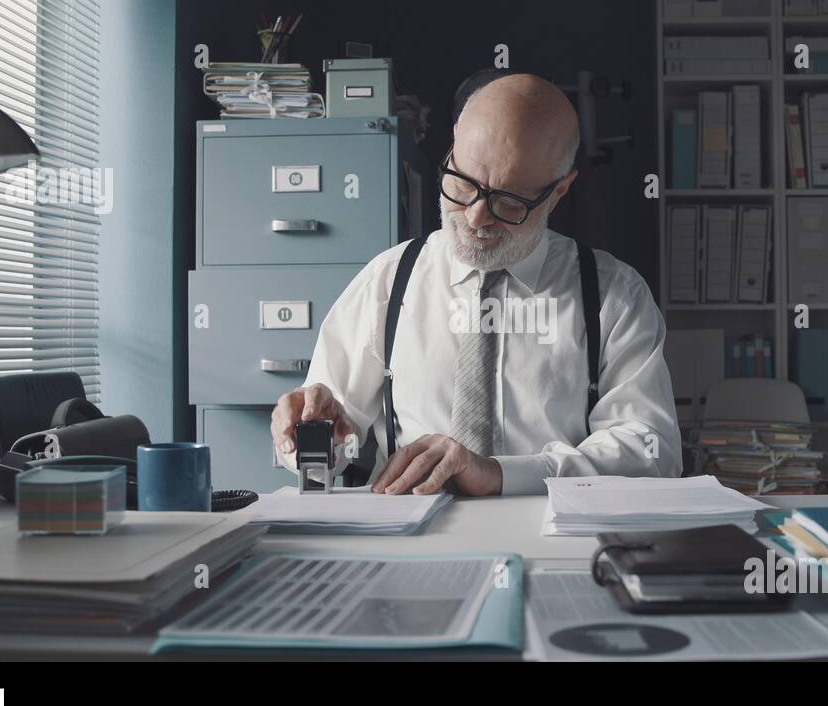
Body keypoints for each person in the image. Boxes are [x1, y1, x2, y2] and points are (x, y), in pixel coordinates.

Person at [270, 73, 681, 495]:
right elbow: (326, 450)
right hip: (411, 544)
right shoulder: (388, 281)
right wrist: (309, 432)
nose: (474, 217)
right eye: (463, 183)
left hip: (553, 543)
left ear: (559, 191)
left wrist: (501, 474)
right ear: (453, 145)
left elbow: (652, 450)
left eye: (508, 202)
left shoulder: (614, 295)